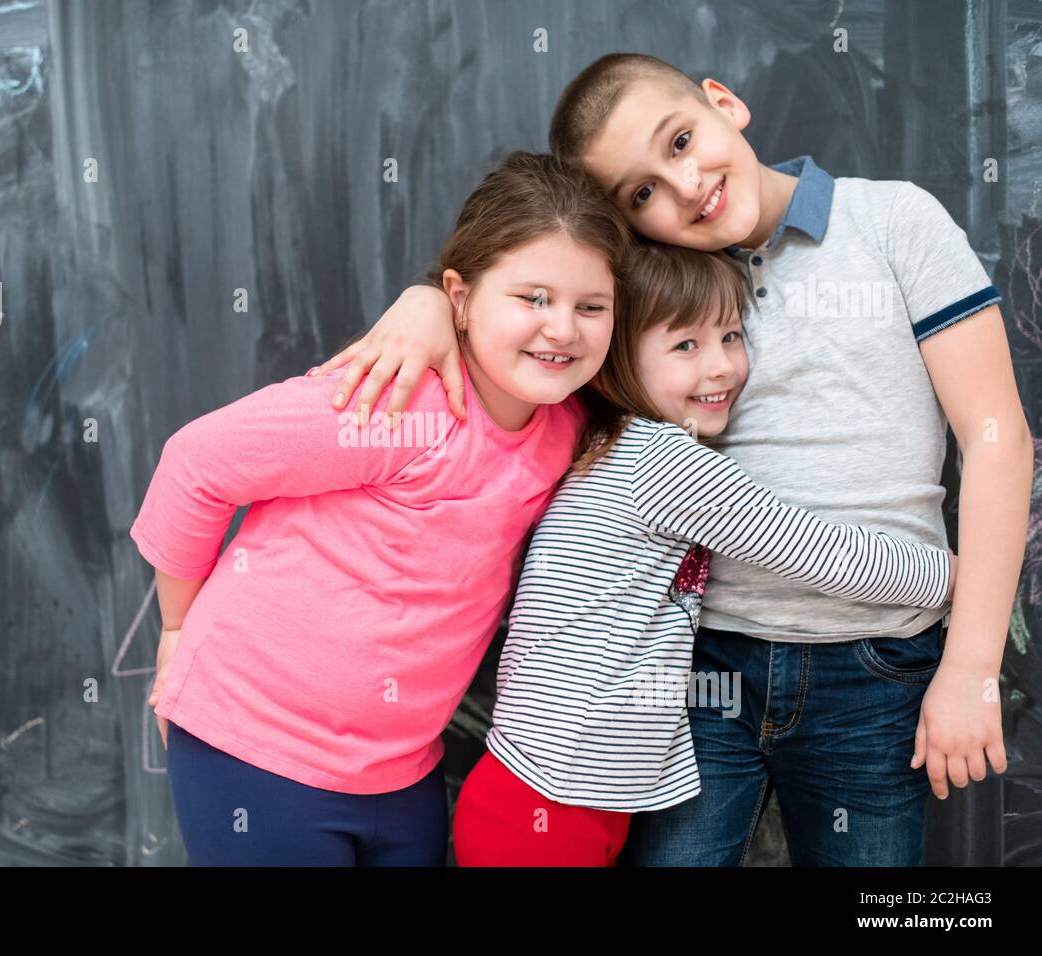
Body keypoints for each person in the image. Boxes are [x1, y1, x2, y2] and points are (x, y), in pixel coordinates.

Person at [309, 52, 1029, 865]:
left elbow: (997, 434)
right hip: (694, 668)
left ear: (724, 102)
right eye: (641, 193)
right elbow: (533, 283)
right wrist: (431, 302)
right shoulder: (645, 286)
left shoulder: (894, 222)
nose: (684, 187)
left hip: (873, 664)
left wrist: (972, 662)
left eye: (682, 140)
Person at [129, 151, 629, 865]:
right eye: (533, 298)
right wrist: (176, 627)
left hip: (402, 770)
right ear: (459, 296)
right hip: (254, 745)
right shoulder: (394, 398)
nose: (563, 329)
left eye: (591, 307)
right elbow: (196, 464)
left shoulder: (567, 430)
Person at [450, 239, 957, 866]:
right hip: (545, 807)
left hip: (570, 797)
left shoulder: (611, 440)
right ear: (618, 361)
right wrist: (958, 576)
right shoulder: (663, 464)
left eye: (731, 336)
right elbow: (826, 554)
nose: (720, 366)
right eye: (685, 345)